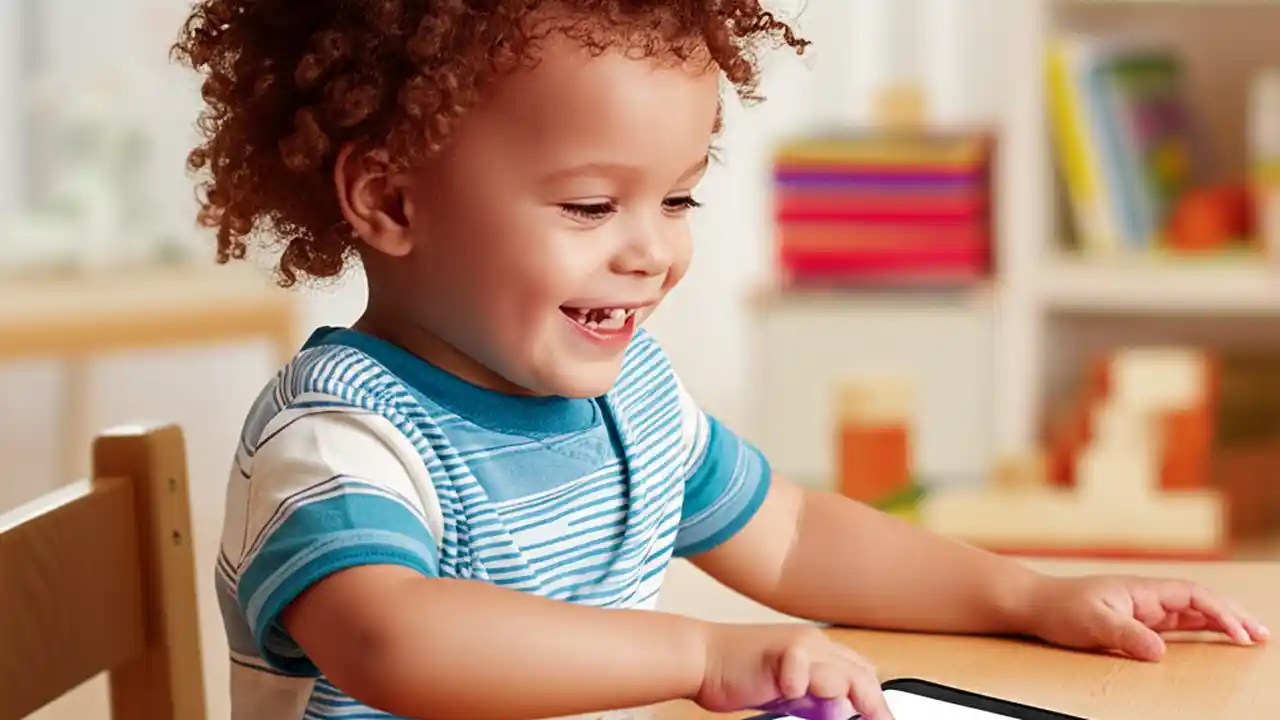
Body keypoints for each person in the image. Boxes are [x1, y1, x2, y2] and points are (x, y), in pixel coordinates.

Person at [173, 2, 1269, 719]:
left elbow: (788, 536)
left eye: (677, 197)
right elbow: (391, 637)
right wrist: (701, 657)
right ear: (391, 200)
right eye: (592, 204)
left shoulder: (626, 395)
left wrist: (1026, 595)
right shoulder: (336, 438)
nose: (652, 249)